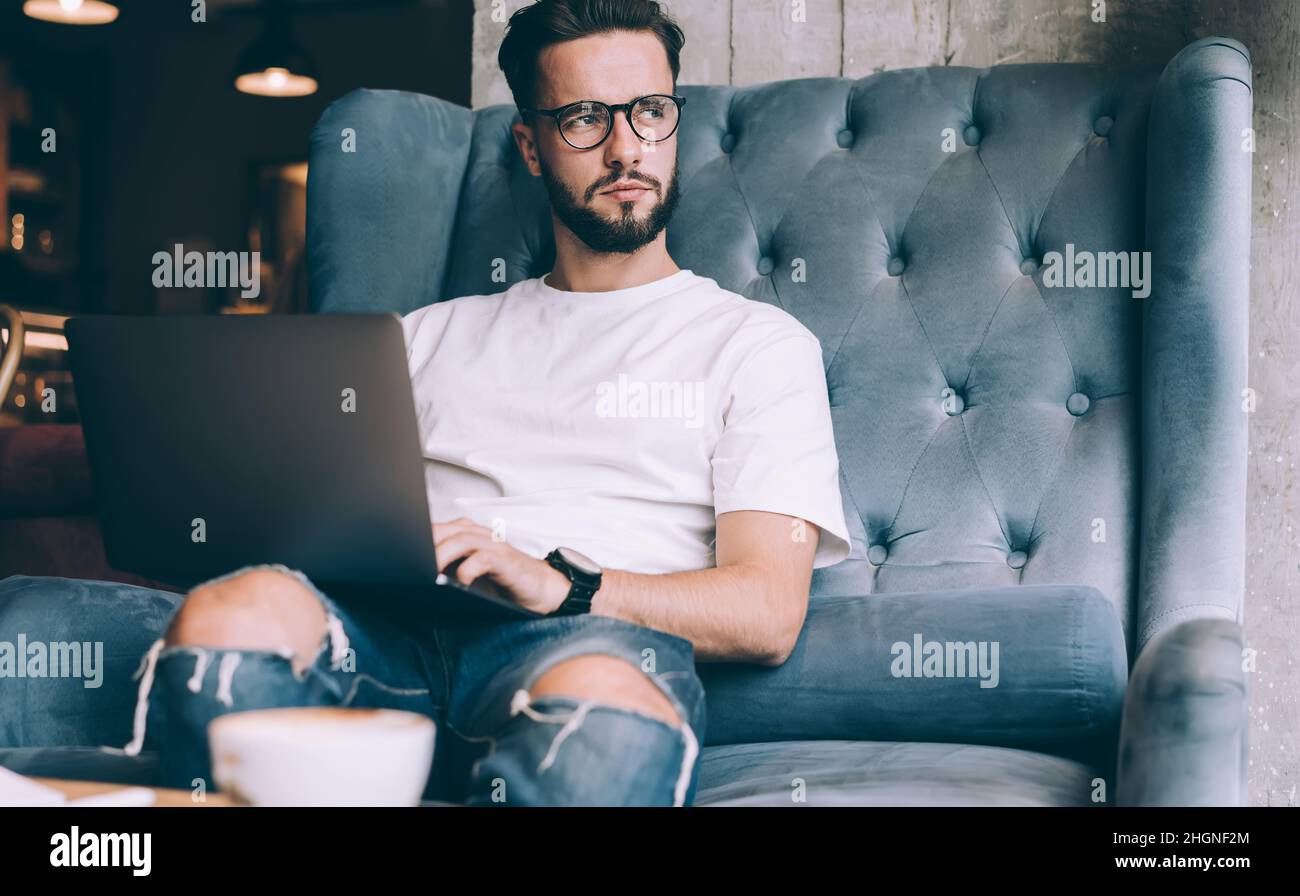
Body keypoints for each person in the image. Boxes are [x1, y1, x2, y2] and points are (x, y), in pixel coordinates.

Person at [73, 0, 852, 806]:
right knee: (231, 615)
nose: (627, 149)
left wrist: (564, 586)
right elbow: (313, 515)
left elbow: (765, 611)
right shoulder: (420, 338)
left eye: (651, 113)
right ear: (532, 145)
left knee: (604, 722)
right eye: (585, 118)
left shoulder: (758, 345)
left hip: (583, 643)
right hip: (389, 634)